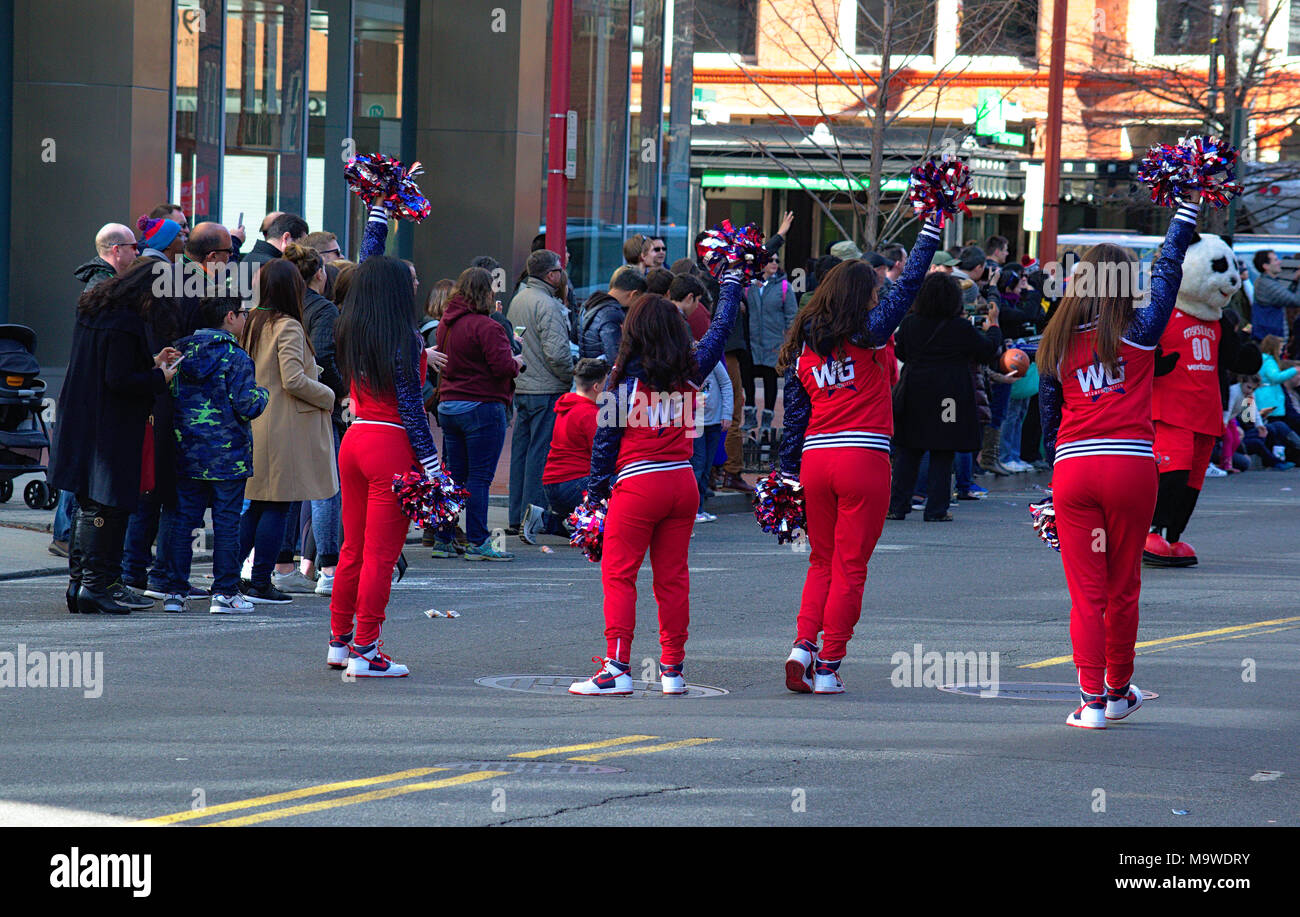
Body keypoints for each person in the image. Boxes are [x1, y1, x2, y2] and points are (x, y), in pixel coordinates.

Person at [1036, 194, 1200, 729]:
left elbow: (1047, 423)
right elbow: (1170, 270)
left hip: (1074, 470)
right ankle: (1118, 688)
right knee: (1123, 586)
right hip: (1130, 466)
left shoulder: (1056, 341)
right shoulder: (1141, 330)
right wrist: (1184, 214)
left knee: (1086, 595)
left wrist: (1052, 473)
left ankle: (1090, 703)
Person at [776, 215, 943, 694]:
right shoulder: (870, 335)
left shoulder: (806, 345)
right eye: (872, 292)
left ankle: (803, 645)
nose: (877, 298)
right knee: (851, 567)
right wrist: (930, 228)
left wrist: (786, 478)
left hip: (815, 460)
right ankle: (829, 665)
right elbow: (908, 286)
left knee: (820, 562)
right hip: (862, 457)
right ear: (862, 298)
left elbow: (793, 421)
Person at [567, 273, 744, 697]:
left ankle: (616, 668)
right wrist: (734, 281)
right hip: (683, 483)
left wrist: (594, 497)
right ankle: (673, 671)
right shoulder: (690, 370)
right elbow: (719, 331)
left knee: (619, 574)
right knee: (672, 578)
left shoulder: (619, 381)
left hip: (639, 484)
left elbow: (605, 445)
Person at [329, 204, 444, 676]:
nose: (416, 285)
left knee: (352, 549)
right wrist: (434, 467)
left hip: (354, 441)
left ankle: (340, 642)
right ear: (396, 291)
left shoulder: (352, 326)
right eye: (411, 282)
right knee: (380, 553)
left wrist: (379, 212)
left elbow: (366, 263)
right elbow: (413, 408)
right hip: (391, 445)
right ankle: (367, 649)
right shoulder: (405, 338)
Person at [51, 260, 180, 614]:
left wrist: (152, 362)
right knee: (107, 506)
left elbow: (107, 367)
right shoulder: (125, 322)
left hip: (82, 419)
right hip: (110, 428)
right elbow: (119, 379)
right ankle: (97, 585)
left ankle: (84, 584)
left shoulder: (97, 309)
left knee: (90, 503)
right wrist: (160, 378)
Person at [160, 296, 268, 614]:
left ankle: (174, 592)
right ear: (229, 317)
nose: (246, 319)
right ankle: (224, 593)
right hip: (228, 456)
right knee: (226, 523)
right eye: (244, 314)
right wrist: (264, 393)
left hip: (185, 451)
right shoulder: (236, 357)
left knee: (184, 520)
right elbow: (248, 405)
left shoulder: (178, 351)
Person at [238, 259, 337, 604]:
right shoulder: (289, 326)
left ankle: (231, 576)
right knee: (277, 507)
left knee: (256, 507)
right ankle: (261, 580)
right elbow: (293, 378)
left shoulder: (251, 322)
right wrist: (328, 394)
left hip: (258, 424)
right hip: (285, 428)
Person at [53, 223, 140, 557]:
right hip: (96, 411)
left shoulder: (102, 288)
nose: (137, 252)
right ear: (116, 250)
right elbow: (114, 371)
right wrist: (155, 376)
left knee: (88, 495)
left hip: (88, 405)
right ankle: (91, 579)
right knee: (94, 500)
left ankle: (86, 580)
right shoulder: (107, 295)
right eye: (134, 246)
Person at [887, 272, 1003, 522]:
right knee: (943, 450)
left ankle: (897, 505)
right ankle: (936, 509)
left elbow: (902, 352)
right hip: (949, 396)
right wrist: (993, 327)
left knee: (908, 450)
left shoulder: (910, 324)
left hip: (915, 390)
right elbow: (987, 351)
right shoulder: (959, 327)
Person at [430, 267, 522, 559]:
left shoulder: (446, 323)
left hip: (449, 405)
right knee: (480, 477)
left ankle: (443, 539)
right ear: (486, 292)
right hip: (482, 406)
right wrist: (516, 360)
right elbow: (502, 368)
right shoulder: (488, 326)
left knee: (454, 475)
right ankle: (479, 541)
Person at [283, 242, 346, 596]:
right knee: (324, 487)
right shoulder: (322, 310)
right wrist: (336, 395)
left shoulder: (272, 309)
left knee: (286, 488)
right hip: (316, 405)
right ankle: (328, 568)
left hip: (279, 408)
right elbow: (323, 358)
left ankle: (280, 565)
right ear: (319, 272)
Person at [506, 249, 574, 535]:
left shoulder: (519, 299)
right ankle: (532, 516)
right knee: (539, 455)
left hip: (523, 385)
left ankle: (516, 514)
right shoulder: (547, 305)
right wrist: (571, 377)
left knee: (521, 454)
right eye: (559, 269)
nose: (562, 273)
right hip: (546, 388)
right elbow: (558, 354)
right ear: (551, 275)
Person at [523, 357, 608, 545]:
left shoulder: (566, 407)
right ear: (596, 387)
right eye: (605, 382)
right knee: (617, 485)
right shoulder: (590, 414)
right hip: (576, 484)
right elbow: (602, 456)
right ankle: (584, 524)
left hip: (553, 484)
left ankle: (545, 519)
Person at [744, 257, 800, 431]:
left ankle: (767, 418)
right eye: (770, 260)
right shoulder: (748, 286)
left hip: (774, 342)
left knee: (771, 379)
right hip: (751, 342)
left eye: (776, 260)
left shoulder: (784, 287)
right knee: (748, 378)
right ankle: (750, 415)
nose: (774, 263)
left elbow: (792, 316)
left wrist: (789, 342)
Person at [579, 266, 646, 362]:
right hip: (604, 374)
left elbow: (575, 339)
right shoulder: (612, 314)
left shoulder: (587, 304)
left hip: (587, 371)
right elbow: (616, 358)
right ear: (633, 294)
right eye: (639, 298)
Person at [1249, 250, 1298, 343]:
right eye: (1275, 260)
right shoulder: (1266, 285)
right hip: (1269, 337)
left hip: (1269, 335)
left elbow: (1285, 294)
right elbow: (1295, 300)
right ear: (1266, 266)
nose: (1279, 262)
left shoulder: (1265, 282)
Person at [244, 213, 309, 270]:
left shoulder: (246, 260)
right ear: (286, 238)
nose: (302, 251)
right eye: (301, 244)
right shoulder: (277, 267)